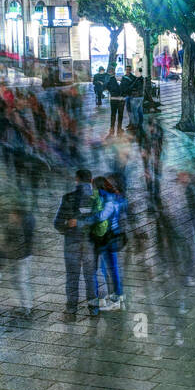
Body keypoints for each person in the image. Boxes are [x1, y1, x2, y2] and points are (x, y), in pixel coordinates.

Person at [54, 168, 100, 316]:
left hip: (72, 242)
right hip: (91, 244)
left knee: (72, 276)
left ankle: (71, 308)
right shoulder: (97, 198)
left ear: (76, 180)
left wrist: (71, 224)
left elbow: (57, 224)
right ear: (91, 181)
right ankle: (93, 308)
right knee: (91, 276)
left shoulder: (68, 198)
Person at [91, 176, 127, 311]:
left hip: (108, 237)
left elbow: (101, 217)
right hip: (114, 235)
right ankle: (118, 295)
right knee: (113, 267)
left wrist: (90, 215)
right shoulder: (117, 197)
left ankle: (116, 297)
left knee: (108, 268)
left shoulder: (107, 199)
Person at [107, 67, 128, 135]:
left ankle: (112, 128)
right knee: (120, 114)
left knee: (113, 114)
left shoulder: (109, 80)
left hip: (114, 99)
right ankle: (119, 128)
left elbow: (106, 87)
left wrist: (111, 92)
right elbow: (126, 89)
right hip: (120, 100)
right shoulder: (124, 79)